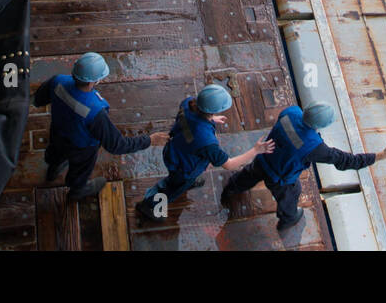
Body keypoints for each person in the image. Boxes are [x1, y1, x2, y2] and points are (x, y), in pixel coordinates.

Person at [220, 103, 386, 232]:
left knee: (248, 174)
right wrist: (381, 155)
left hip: (263, 159)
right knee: (292, 194)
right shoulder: (314, 147)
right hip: (279, 179)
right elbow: (346, 161)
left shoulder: (291, 112)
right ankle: (288, 219)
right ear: (321, 126)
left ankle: (231, 188)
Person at [34, 52, 169, 200]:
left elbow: (39, 99)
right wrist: (150, 140)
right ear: (93, 82)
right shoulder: (95, 112)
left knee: (56, 153)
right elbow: (117, 145)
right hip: (82, 149)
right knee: (80, 170)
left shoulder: (57, 81)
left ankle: (53, 170)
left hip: (58, 134)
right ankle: (77, 190)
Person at [134, 84, 275, 223]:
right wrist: (256, 150)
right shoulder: (208, 143)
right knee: (171, 188)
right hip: (184, 168)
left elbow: (191, 123)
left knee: (178, 180)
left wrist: (211, 119)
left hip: (174, 152)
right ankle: (149, 205)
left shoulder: (187, 103)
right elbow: (230, 165)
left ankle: (185, 183)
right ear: (213, 111)